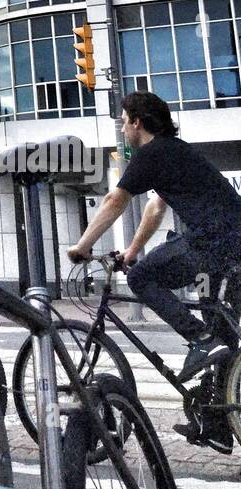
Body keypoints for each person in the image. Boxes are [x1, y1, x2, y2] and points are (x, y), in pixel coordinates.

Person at [67, 91, 241, 383]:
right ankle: (216, 420)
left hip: (213, 243)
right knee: (223, 342)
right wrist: (132, 252)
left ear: (137, 122)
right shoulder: (175, 151)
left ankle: (200, 335)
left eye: (124, 123)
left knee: (141, 278)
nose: (123, 130)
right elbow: (155, 208)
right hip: (229, 247)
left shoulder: (152, 153)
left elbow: (115, 200)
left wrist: (83, 246)